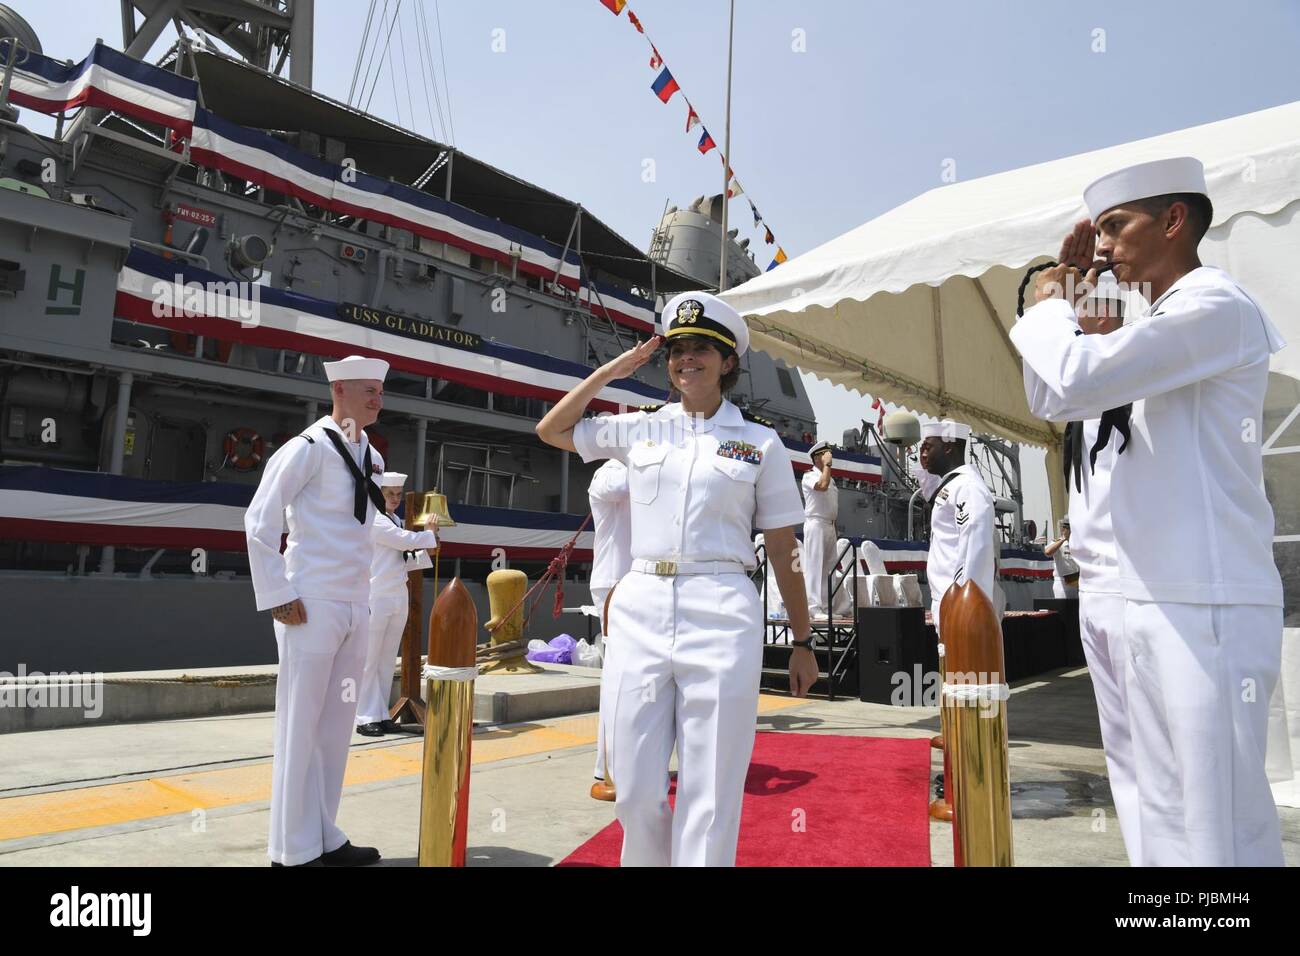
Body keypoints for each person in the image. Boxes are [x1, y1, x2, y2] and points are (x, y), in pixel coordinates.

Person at [1011, 156, 1286, 866]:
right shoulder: (1148, 327)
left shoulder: (1214, 306)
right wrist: (1066, 312)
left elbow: (1073, 377)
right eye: (1097, 231)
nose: (1100, 247)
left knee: (1215, 822)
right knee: (1150, 811)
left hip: (1201, 600)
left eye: (1115, 225)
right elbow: (1052, 398)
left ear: (1172, 220)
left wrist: (1048, 303)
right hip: (1133, 594)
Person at [536, 291, 818, 866]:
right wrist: (612, 371)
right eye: (678, 350)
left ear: (728, 363)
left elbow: (785, 551)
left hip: (722, 606)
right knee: (635, 785)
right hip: (640, 604)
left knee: (710, 787)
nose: (687, 359)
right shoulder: (638, 430)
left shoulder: (761, 444)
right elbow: (552, 429)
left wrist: (804, 639)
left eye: (701, 351)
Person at [244, 354, 392, 867]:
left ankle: (324, 835)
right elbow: (259, 519)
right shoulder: (306, 448)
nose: (378, 398)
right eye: (369, 390)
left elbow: (364, 526)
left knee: (335, 729)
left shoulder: (368, 452)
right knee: (299, 726)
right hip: (310, 603)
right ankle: (291, 850)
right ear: (341, 393)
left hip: (356, 601)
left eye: (379, 390)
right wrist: (278, 592)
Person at [1024, 279, 1141, 862]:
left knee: (1158, 757)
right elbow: (1044, 396)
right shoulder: (1084, 396)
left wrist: (1051, 308)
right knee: (1122, 753)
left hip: (1136, 583)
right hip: (1094, 587)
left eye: (1083, 308)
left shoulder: (1135, 366)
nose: (1074, 319)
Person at [355, 472, 440, 738]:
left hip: (396, 593)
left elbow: (402, 558)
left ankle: (380, 713)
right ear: (378, 495)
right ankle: (364, 715)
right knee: (369, 659)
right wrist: (428, 535)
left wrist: (426, 549)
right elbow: (404, 541)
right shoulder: (377, 521)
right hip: (376, 594)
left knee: (386, 659)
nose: (394, 498)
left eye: (397, 494)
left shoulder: (394, 521)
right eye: (389, 493)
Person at [919, 419, 1005, 637]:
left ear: (948, 447)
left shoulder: (967, 487)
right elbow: (930, 490)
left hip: (961, 606)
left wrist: (963, 602)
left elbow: (972, 549)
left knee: (967, 670)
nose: (922, 452)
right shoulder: (951, 485)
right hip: (949, 603)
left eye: (928, 446)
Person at [587, 459, 631, 801]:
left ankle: (631, 760)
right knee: (617, 678)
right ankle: (609, 766)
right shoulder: (610, 471)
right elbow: (619, 488)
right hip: (614, 582)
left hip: (642, 580)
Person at [801, 440, 839, 619]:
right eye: (825, 454)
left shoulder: (829, 477)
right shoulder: (810, 476)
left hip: (829, 525)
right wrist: (827, 465)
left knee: (829, 567)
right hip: (816, 524)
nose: (829, 457)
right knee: (815, 566)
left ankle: (826, 607)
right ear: (818, 457)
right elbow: (821, 487)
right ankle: (813, 607)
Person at [1044, 518, 1080, 598]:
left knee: (1075, 609)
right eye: (1070, 529)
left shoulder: (1076, 544)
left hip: (1075, 581)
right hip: (1062, 582)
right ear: (1064, 529)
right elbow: (1047, 552)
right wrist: (1063, 539)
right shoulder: (1058, 543)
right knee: (1064, 608)